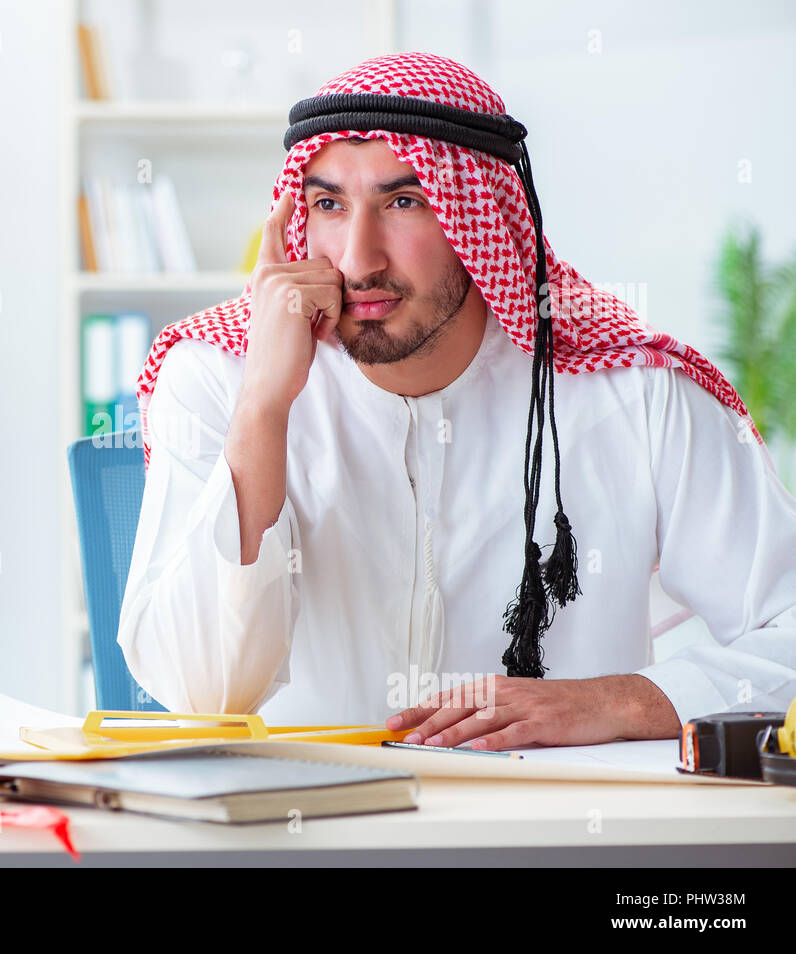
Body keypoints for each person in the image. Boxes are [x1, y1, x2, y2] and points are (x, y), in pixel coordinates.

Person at [115, 52, 796, 750]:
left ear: (481, 214)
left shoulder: (637, 392)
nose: (358, 259)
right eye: (328, 204)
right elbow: (202, 695)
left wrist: (616, 702)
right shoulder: (216, 378)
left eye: (403, 202)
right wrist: (262, 406)